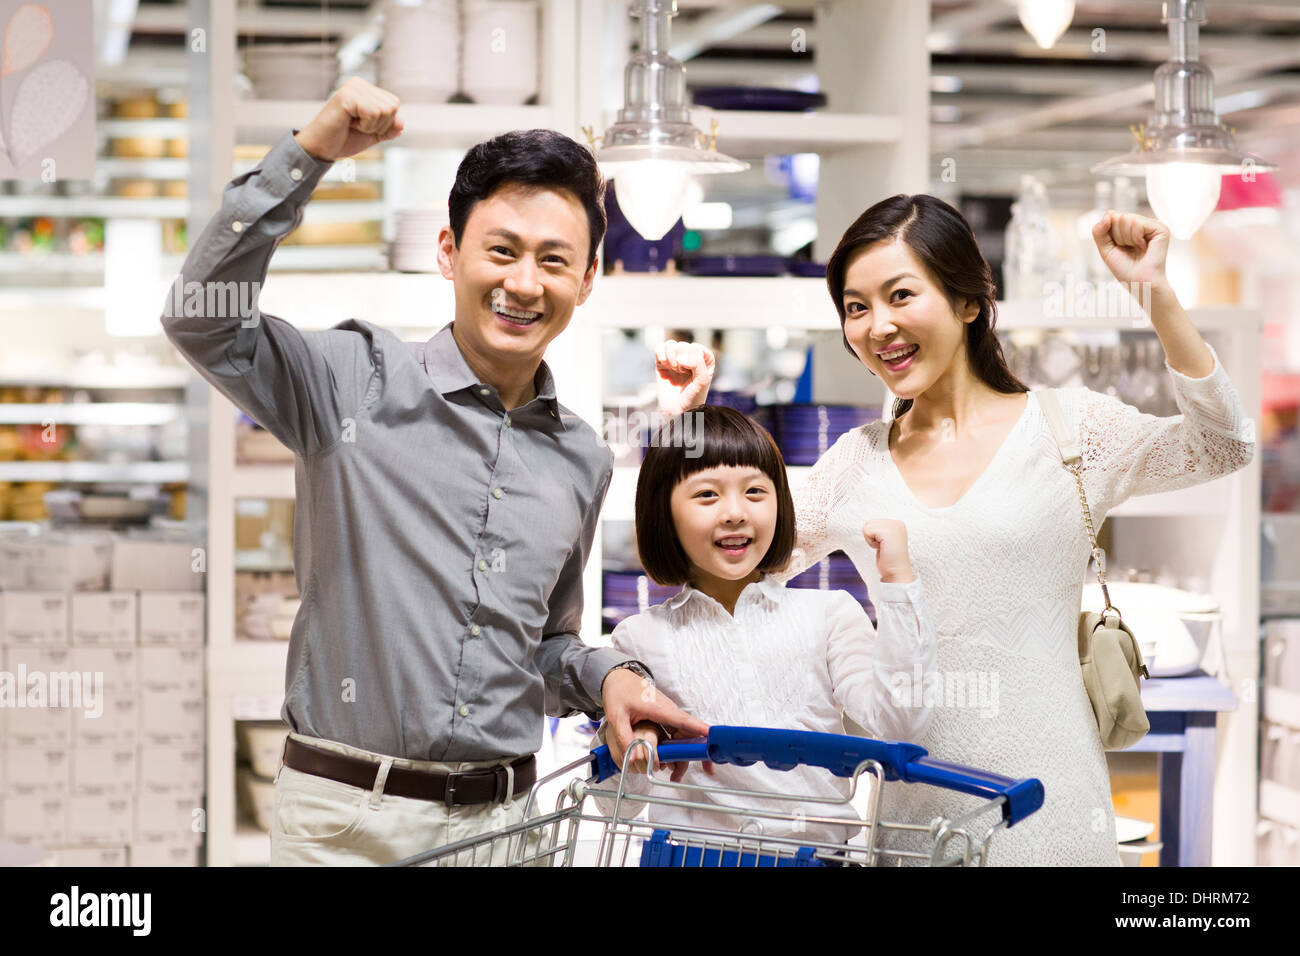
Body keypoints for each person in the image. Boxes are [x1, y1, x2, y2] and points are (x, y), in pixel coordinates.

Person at [161, 77, 705, 866]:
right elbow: (200, 317)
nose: (525, 283)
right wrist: (309, 154)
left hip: (508, 827)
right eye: (502, 250)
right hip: (345, 827)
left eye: (555, 260)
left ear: (588, 280)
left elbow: (544, 646)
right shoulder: (353, 379)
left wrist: (609, 676)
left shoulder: (581, 456)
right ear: (449, 253)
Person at [656, 196, 1256, 866]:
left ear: (969, 301)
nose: (878, 325)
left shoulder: (1070, 432)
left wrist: (1155, 294)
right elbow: (727, 563)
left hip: (1051, 814)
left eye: (900, 295)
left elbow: (1225, 446)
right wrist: (685, 432)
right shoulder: (856, 461)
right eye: (856, 307)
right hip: (915, 824)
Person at [592, 405, 935, 850]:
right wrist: (635, 744)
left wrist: (898, 584)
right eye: (707, 495)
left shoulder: (830, 614)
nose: (735, 512)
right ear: (664, 514)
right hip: (689, 859)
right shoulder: (637, 638)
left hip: (817, 857)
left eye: (755, 491)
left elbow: (899, 724)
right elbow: (614, 802)